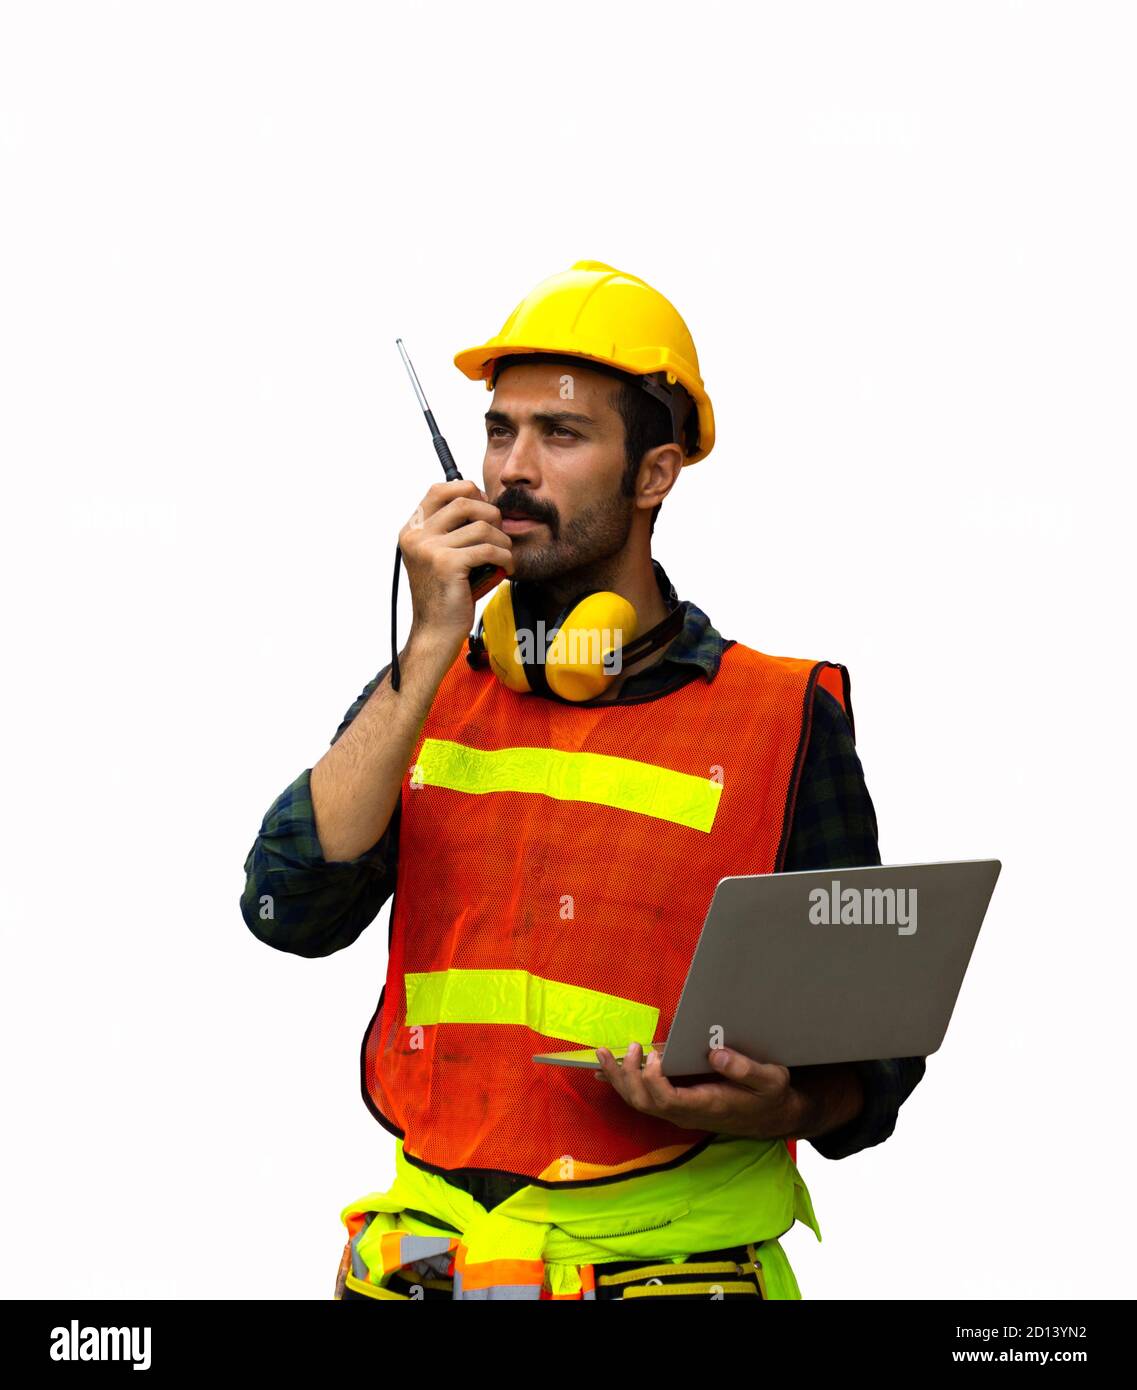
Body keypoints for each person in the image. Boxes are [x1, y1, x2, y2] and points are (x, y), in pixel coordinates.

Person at [241, 260, 926, 1300]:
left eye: (561, 436)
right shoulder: (425, 692)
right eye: (500, 430)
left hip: (669, 1270)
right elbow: (287, 906)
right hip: (426, 1266)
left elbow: (870, 1057)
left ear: (653, 475)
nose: (513, 469)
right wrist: (431, 645)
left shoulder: (782, 717)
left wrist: (782, 1107)